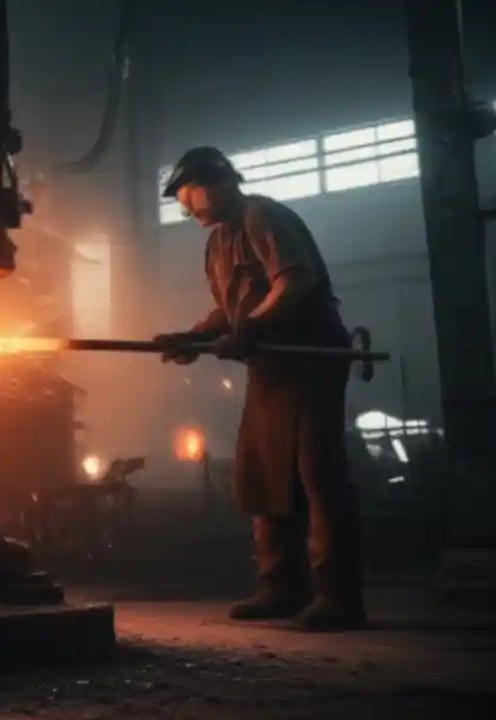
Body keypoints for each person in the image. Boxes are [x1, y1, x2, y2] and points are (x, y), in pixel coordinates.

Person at [156, 146, 365, 631]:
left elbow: (296, 281)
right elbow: (228, 315)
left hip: (309, 360)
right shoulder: (217, 243)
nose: (186, 209)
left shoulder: (264, 216)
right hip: (270, 368)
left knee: (317, 475)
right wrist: (195, 336)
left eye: (188, 195)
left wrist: (251, 327)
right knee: (265, 472)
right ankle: (280, 588)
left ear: (218, 180)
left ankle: (338, 596)